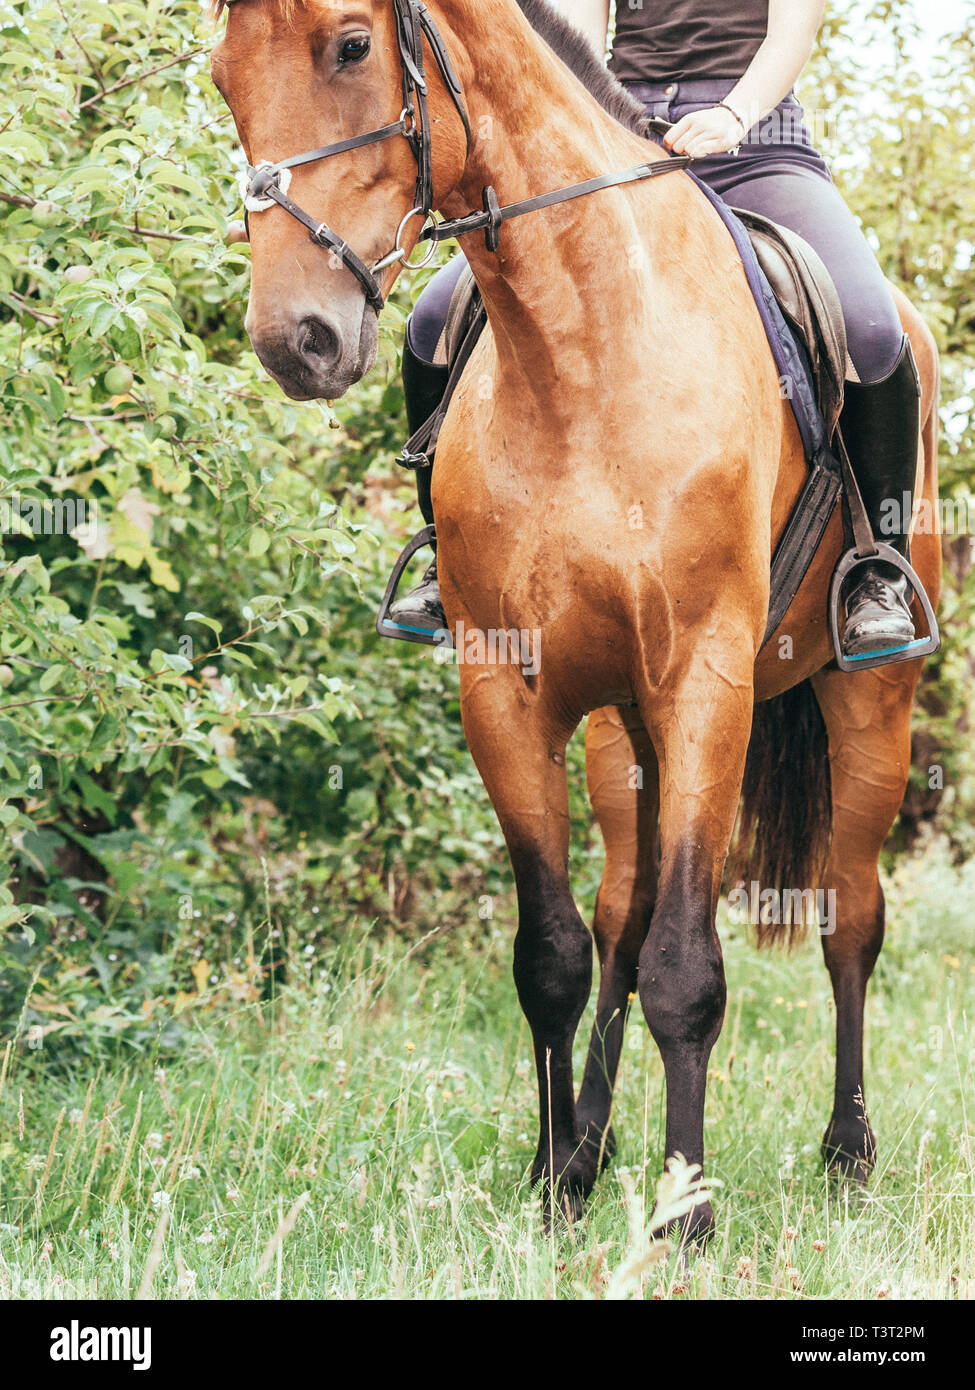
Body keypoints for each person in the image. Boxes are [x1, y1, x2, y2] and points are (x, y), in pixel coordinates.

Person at [386, 0, 921, 659]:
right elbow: (573, 42)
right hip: (618, 144)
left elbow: (792, 35)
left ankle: (876, 570)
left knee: (870, 328)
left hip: (756, 149)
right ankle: (442, 559)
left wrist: (732, 115)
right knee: (433, 318)